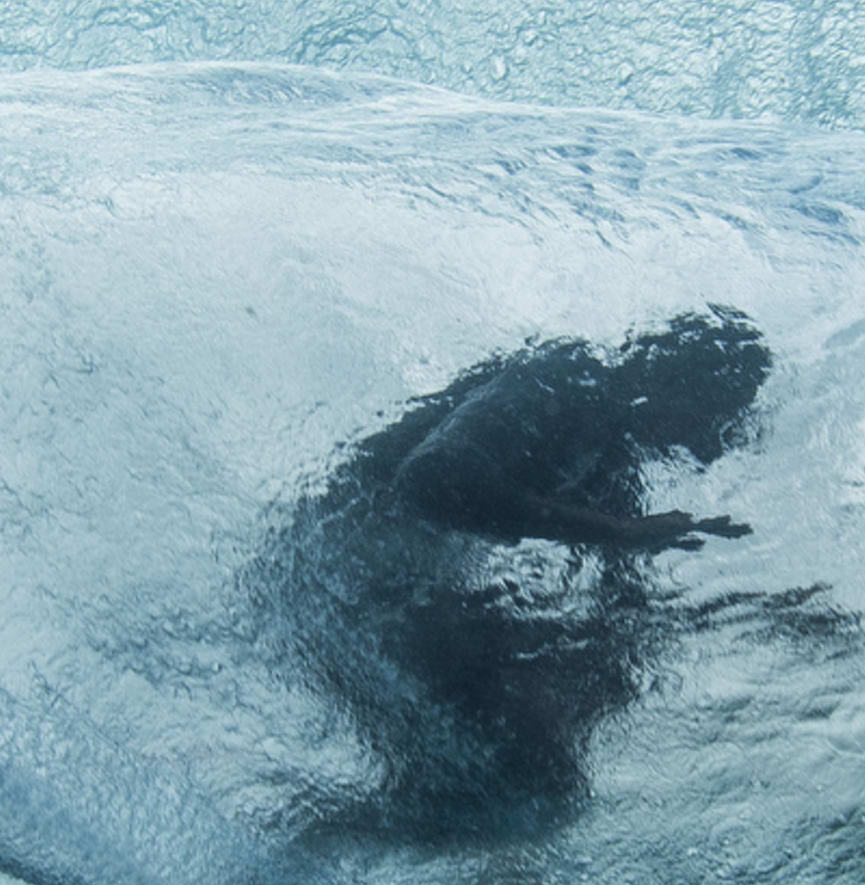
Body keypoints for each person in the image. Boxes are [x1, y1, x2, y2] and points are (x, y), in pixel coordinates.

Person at [278, 310, 774, 839]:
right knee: (536, 788)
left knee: (543, 779)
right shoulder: (568, 377)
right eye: (722, 407)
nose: (723, 434)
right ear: (677, 379)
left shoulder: (616, 457)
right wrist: (620, 532)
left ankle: (314, 842)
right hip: (333, 575)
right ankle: (303, 840)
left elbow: (625, 608)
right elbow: (430, 482)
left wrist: (759, 608)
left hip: (383, 591)